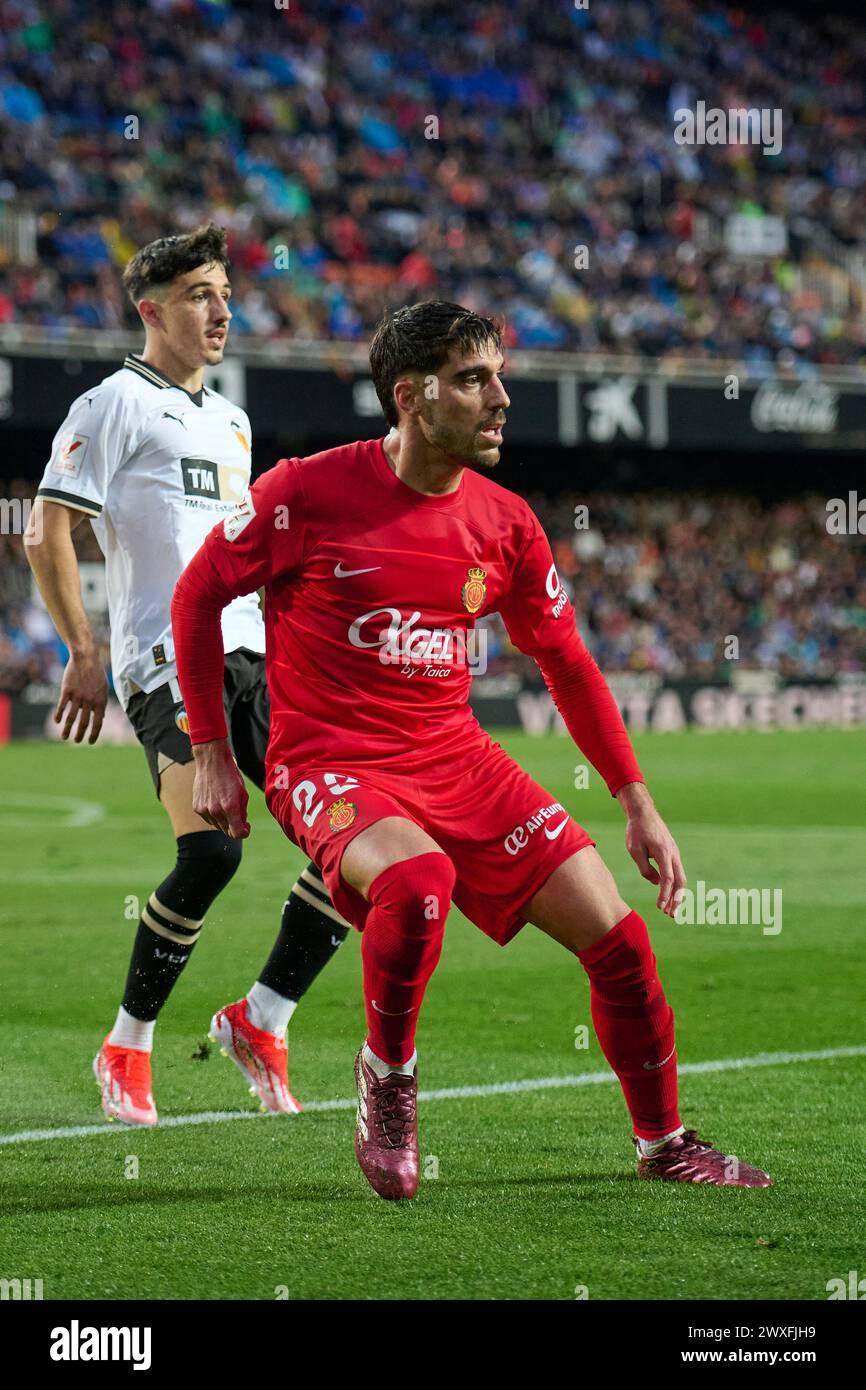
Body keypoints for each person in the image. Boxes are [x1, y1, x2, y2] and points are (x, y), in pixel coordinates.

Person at [171, 300, 773, 1198]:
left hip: (455, 756)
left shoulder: (506, 524)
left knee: (621, 941)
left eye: (498, 376)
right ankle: (388, 1079)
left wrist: (636, 800)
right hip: (331, 761)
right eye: (473, 380)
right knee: (418, 887)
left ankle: (664, 1142)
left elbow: (566, 663)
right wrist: (214, 750)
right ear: (410, 398)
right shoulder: (305, 492)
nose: (500, 398)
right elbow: (197, 595)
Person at [24, 223, 348, 1128]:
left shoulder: (232, 420)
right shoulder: (114, 403)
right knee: (211, 851)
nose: (222, 309)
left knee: (357, 842)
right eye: (202, 293)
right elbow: (43, 529)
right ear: (151, 309)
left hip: (260, 660)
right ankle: (127, 1044)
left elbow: (248, 554)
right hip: (166, 662)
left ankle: (264, 1018)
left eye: (226, 293)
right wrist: (83, 652)